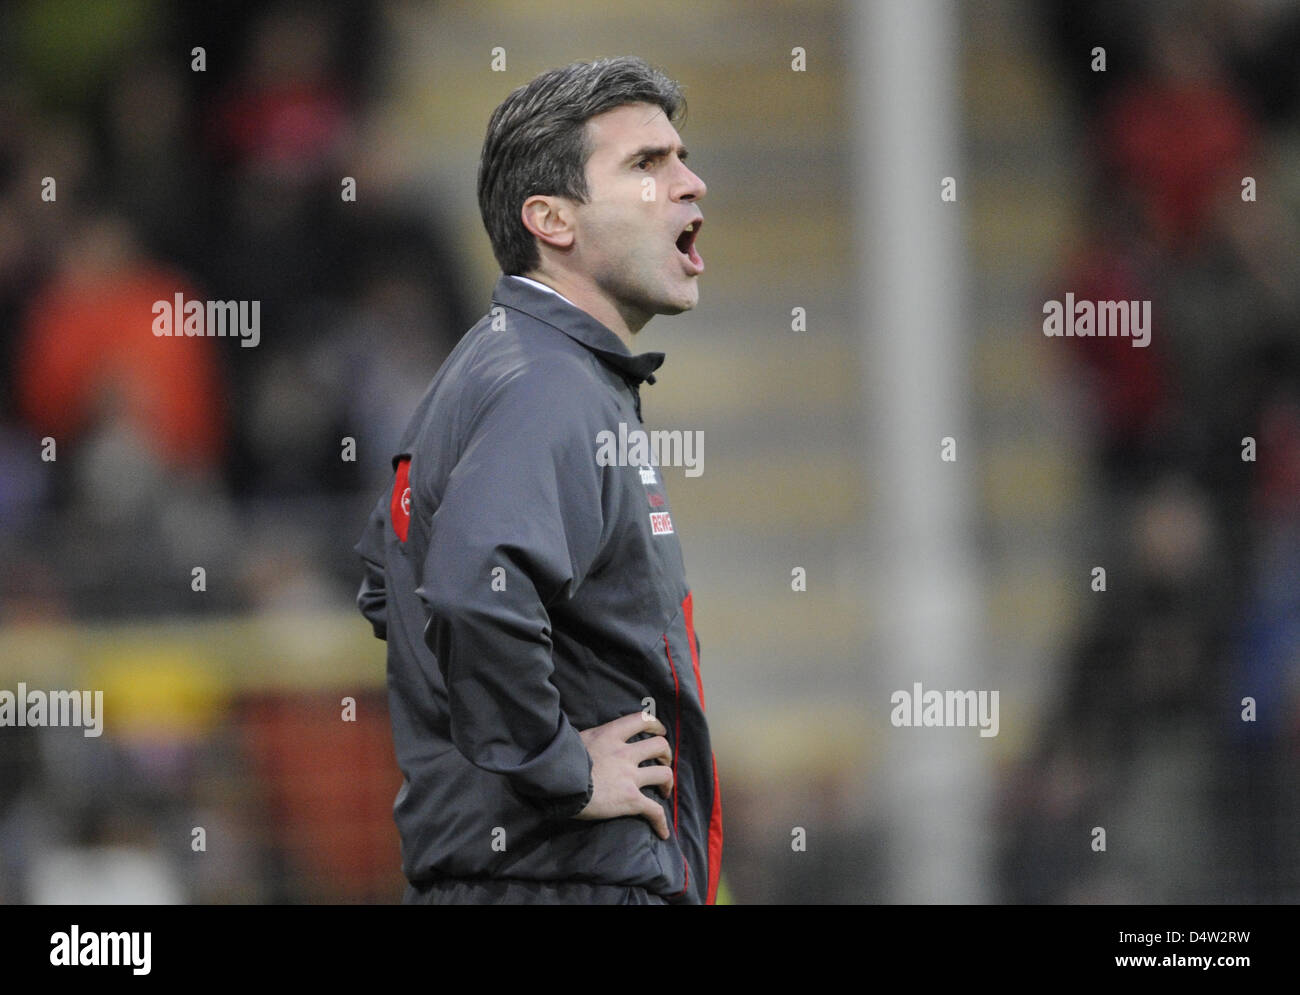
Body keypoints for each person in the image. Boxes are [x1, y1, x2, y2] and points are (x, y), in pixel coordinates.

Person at [354, 56, 722, 905]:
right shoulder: (549, 385)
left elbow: (389, 583)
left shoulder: (494, 365)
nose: (690, 183)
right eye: (646, 164)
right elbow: (470, 589)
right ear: (551, 219)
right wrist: (558, 769)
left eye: (681, 156)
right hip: (561, 879)